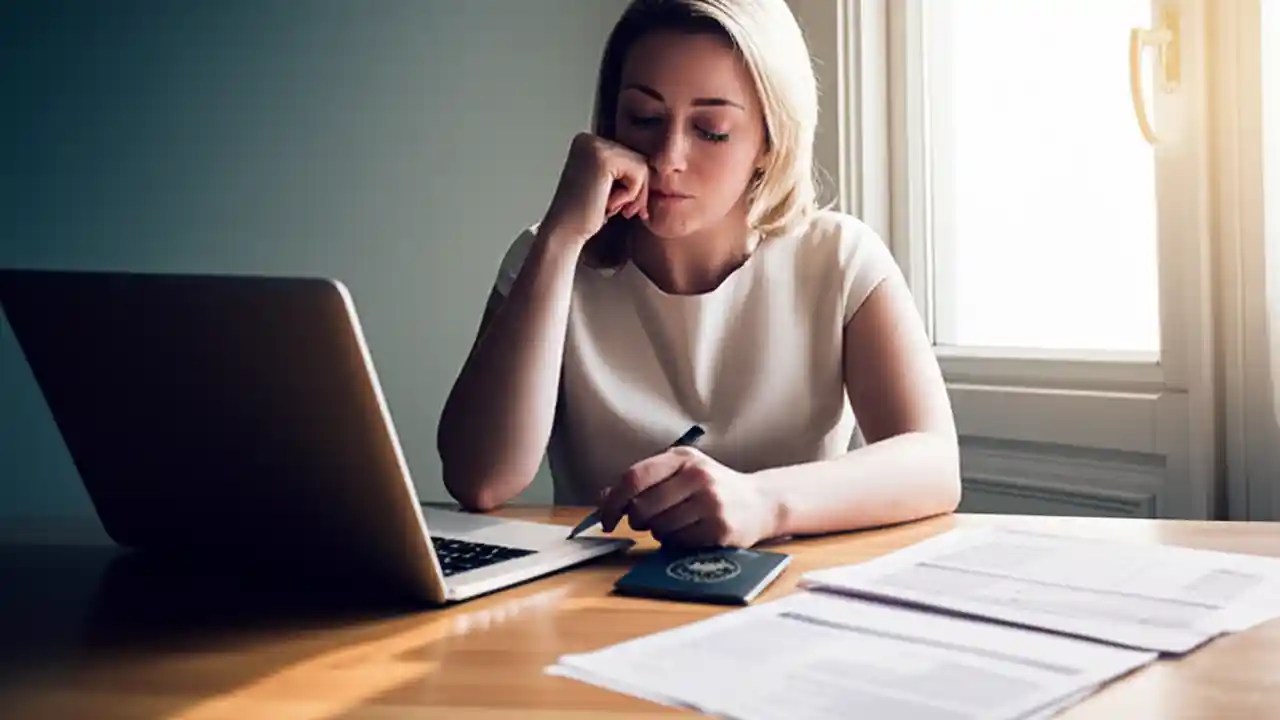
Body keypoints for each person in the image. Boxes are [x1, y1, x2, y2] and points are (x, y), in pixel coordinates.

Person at [437, 0, 959, 549]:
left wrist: (763, 503)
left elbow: (934, 464)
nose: (667, 158)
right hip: (599, 597)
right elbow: (481, 479)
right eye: (643, 119)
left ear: (769, 141)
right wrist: (561, 239)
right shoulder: (549, 256)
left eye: (710, 130)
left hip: (792, 594)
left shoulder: (839, 258)